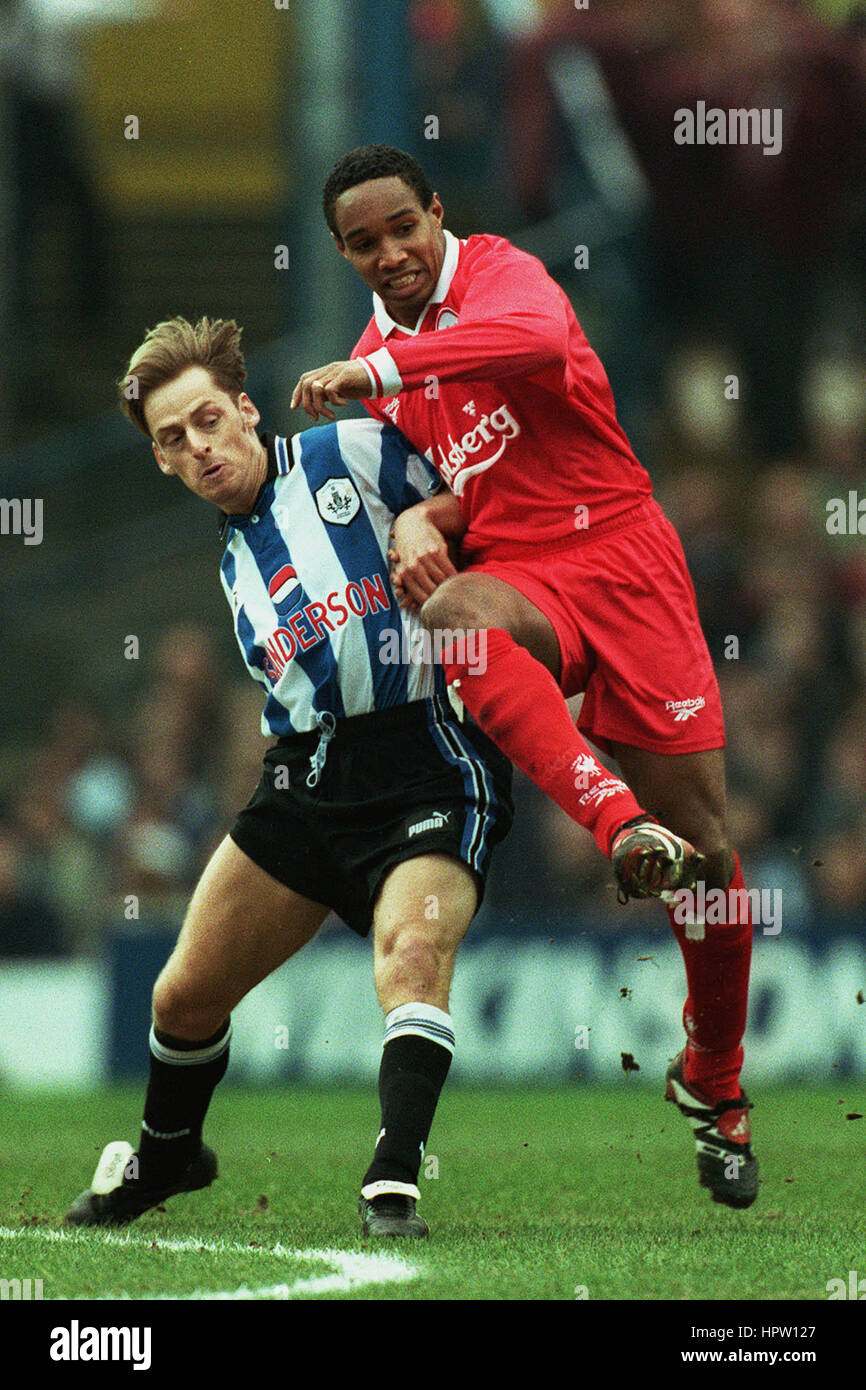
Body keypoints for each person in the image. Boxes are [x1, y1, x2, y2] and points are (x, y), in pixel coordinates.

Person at [291, 145, 758, 1210]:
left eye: (401, 227)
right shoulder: (376, 358)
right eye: (362, 243)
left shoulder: (500, 275)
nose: (389, 253)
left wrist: (376, 376)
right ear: (341, 251)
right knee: (450, 618)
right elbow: (464, 484)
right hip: (524, 574)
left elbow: (536, 344)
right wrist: (418, 512)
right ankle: (611, 824)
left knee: (712, 857)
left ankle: (714, 1080)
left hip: (626, 559)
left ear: (435, 215)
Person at [65, 315, 514, 1240]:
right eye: (172, 439)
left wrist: (435, 519)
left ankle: (393, 1181)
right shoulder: (234, 560)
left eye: (206, 421)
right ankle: (167, 1158)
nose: (199, 448)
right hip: (308, 776)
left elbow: (493, 498)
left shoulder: (347, 451)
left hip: (426, 755)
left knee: (413, 961)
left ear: (243, 408)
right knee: (181, 998)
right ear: (160, 461)